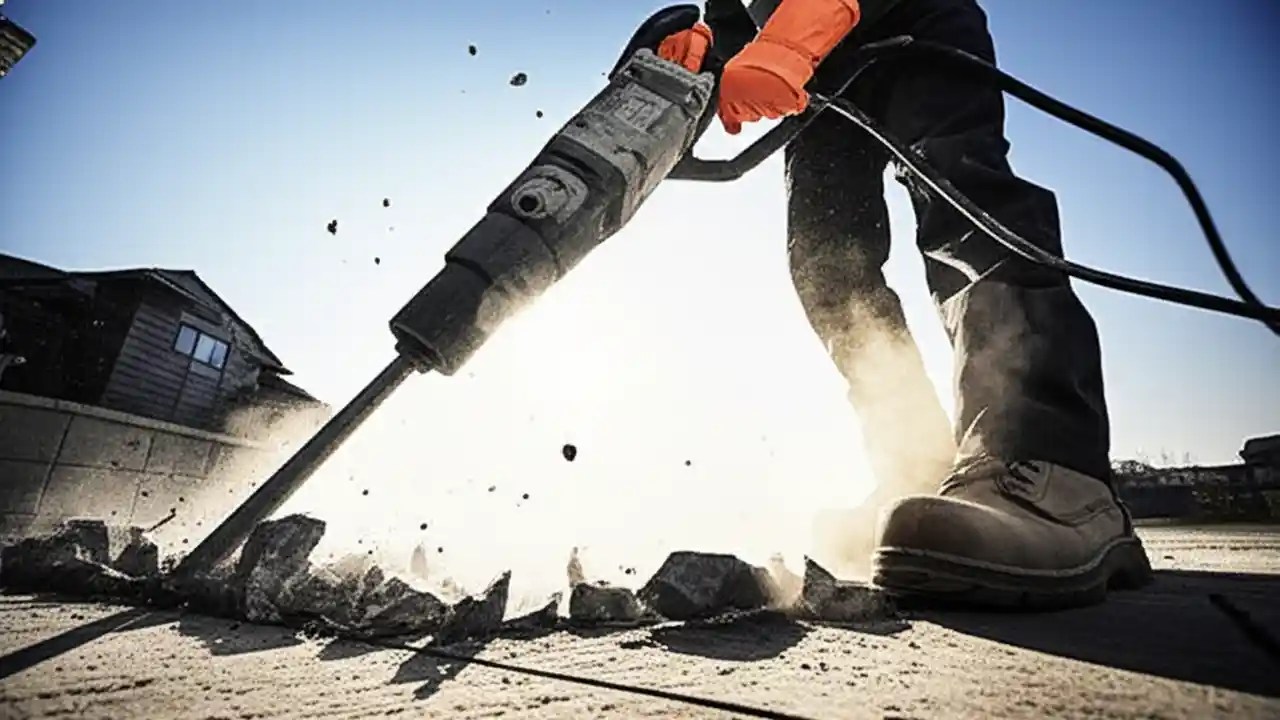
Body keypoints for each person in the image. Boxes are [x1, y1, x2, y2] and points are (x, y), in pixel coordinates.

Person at [656, 0, 1152, 608]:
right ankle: (916, 469)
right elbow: (736, 23)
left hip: (914, 18)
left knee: (964, 209)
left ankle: (1047, 464)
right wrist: (705, 64)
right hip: (818, 69)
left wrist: (799, 29)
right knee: (826, 263)